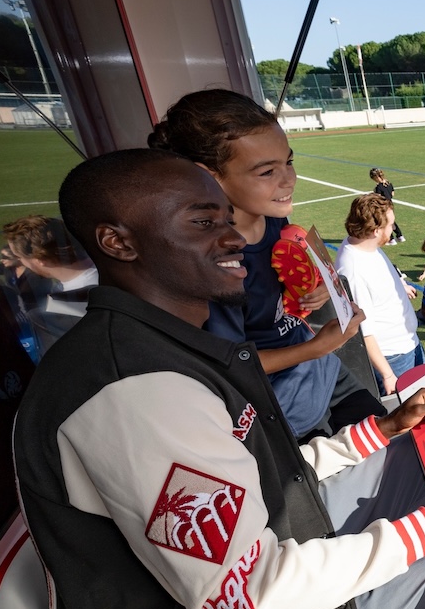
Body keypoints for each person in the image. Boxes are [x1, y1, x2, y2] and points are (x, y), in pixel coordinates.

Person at [14, 148, 425, 609]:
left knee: (421, 461)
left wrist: (380, 430)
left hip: (270, 552)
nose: (233, 238)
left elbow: (256, 476)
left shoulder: (161, 343)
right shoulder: (135, 393)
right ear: (118, 242)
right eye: (202, 222)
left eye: (226, 219)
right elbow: (242, 596)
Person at [149, 89, 378, 440]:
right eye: (267, 171)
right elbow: (228, 364)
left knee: (391, 437)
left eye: (289, 162)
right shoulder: (214, 266)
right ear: (207, 177)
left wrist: (313, 288)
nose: (289, 179)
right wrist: (317, 347)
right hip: (278, 402)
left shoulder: (272, 219)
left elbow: (280, 281)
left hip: (320, 368)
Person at [335, 194, 425, 395]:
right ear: (375, 230)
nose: (393, 229)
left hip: (409, 344)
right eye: (390, 225)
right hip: (394, 358)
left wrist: (400, 286)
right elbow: (363, 331)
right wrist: (388, 374)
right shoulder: (353, 270)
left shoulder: (366, 246)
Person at [0, 215, 98, 357]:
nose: (21, 262)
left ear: (40, 260)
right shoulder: (111, 265)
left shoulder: (68, 306)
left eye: (19, 257)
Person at [370, 168, 404, 245]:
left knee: (385, 222)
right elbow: (392, 194)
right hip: (390, 204)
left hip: (383, 205)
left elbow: (378, 197)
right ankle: (399, 235)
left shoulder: (378, 187)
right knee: (391, 221)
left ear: (376, 177)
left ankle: (391, 239)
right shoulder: (388, 183)